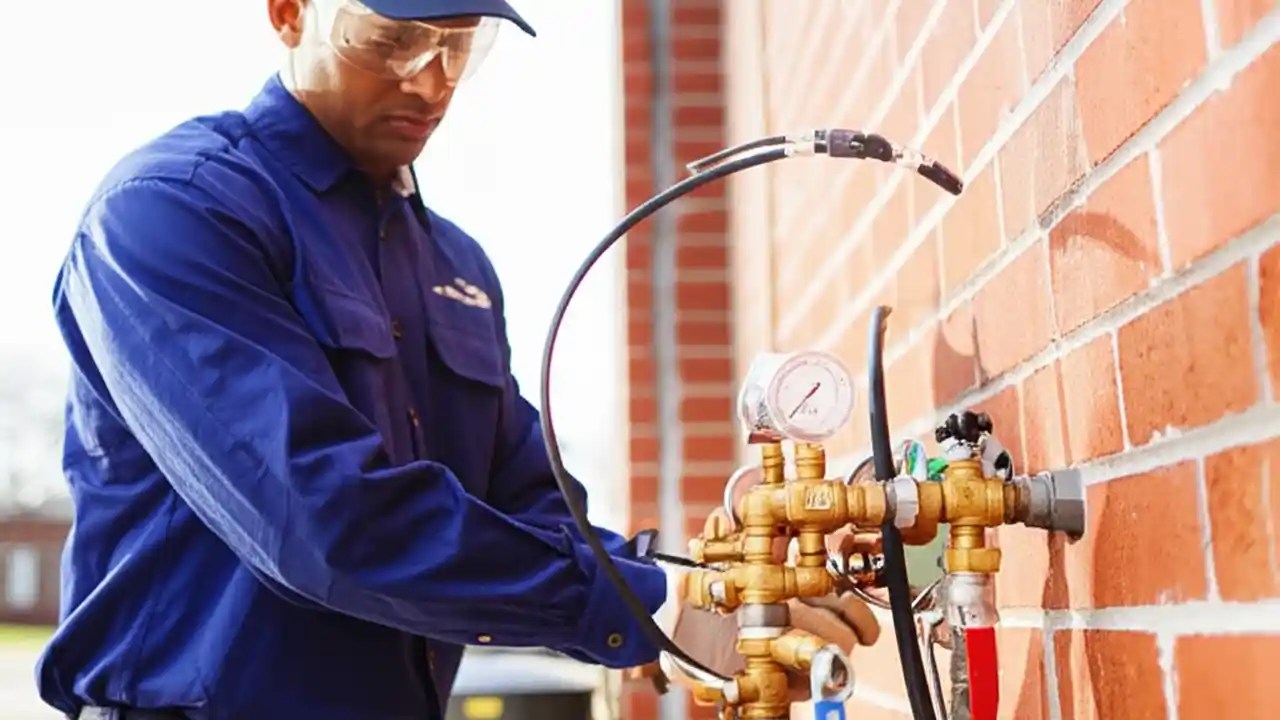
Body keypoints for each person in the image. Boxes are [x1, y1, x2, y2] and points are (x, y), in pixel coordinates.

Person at [37, 1, 876, 718]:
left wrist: (700, 596)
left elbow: (530, 503)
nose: (430, 80)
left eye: (458, 42)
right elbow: (324, 519)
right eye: (393, 40)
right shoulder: (172, 213)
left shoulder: (454, 266)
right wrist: (648, 607)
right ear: (289, 12)